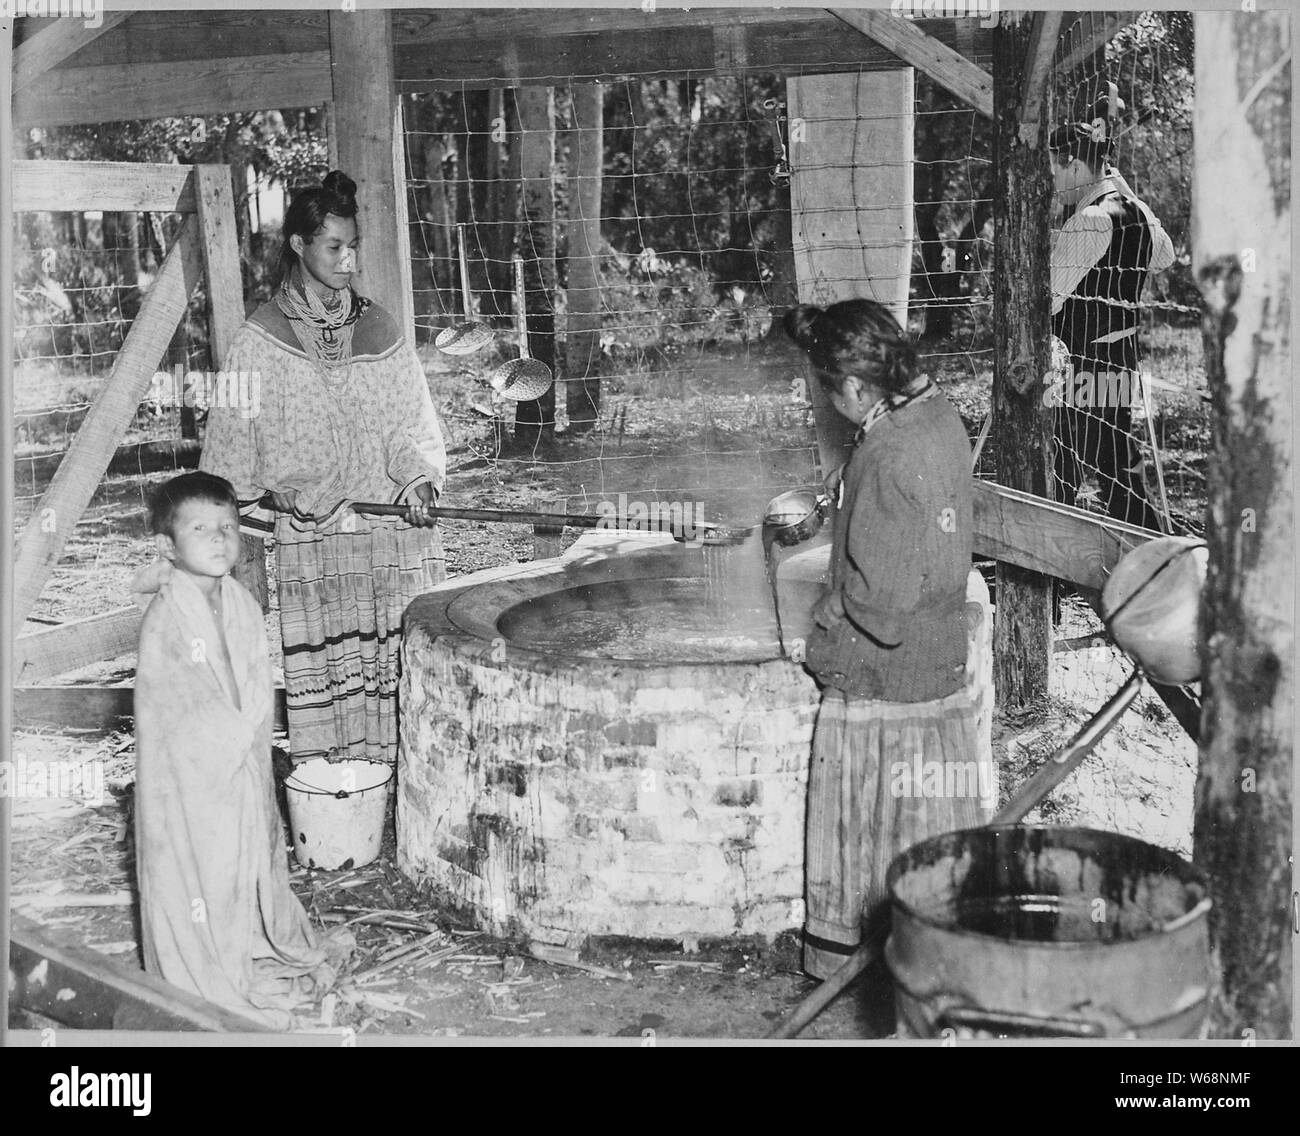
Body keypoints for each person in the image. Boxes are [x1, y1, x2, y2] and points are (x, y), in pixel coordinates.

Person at [200, 170, 446, 767]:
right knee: (330, 669)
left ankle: (400, 782)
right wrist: (272, 490)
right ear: (298, 246)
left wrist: (415, 476)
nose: (348, 259)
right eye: (334, 247)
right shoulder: (258, 341)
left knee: (396, 662)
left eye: (352, 246)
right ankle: (335, 788)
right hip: (316, 542)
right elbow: (235, 442)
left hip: (386, 533)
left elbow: (409, 418)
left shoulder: (380, 327)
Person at [784, 299, 992, 981]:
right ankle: (929, 943)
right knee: (923, 830)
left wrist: (825, 615)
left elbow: (883, 607)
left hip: (885, 676)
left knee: (864, 825)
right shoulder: (935, 413)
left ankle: (843, 957)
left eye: (825, 387)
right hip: (939, 661)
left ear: (851, 387)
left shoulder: (889, 453)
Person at [132, 471, 327, 1028]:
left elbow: (254, 689)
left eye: (228, 526)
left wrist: (248, 744)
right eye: (201, 528)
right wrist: (233, 738)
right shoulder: (166, 618)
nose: (219, 539)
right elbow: (172, 708)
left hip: (239, 769)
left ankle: (243, 947)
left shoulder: (240, 602)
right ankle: (201, 974)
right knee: (201, 874)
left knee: (244, 863)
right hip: (190, 783)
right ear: (169, 546)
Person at [1048, 101, 1175, 531]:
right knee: (1113, 466)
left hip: (1077, 365)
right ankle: (1151, 548)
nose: (1054, 185)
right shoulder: (1133, 213)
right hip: (1118, 362)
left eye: (1055, 172)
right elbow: (1165, 255)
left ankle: (1049, 558)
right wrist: (1122, 186)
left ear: (1074, 164)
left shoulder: (1089, 219)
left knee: (1061, 465)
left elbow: (1046, 301)